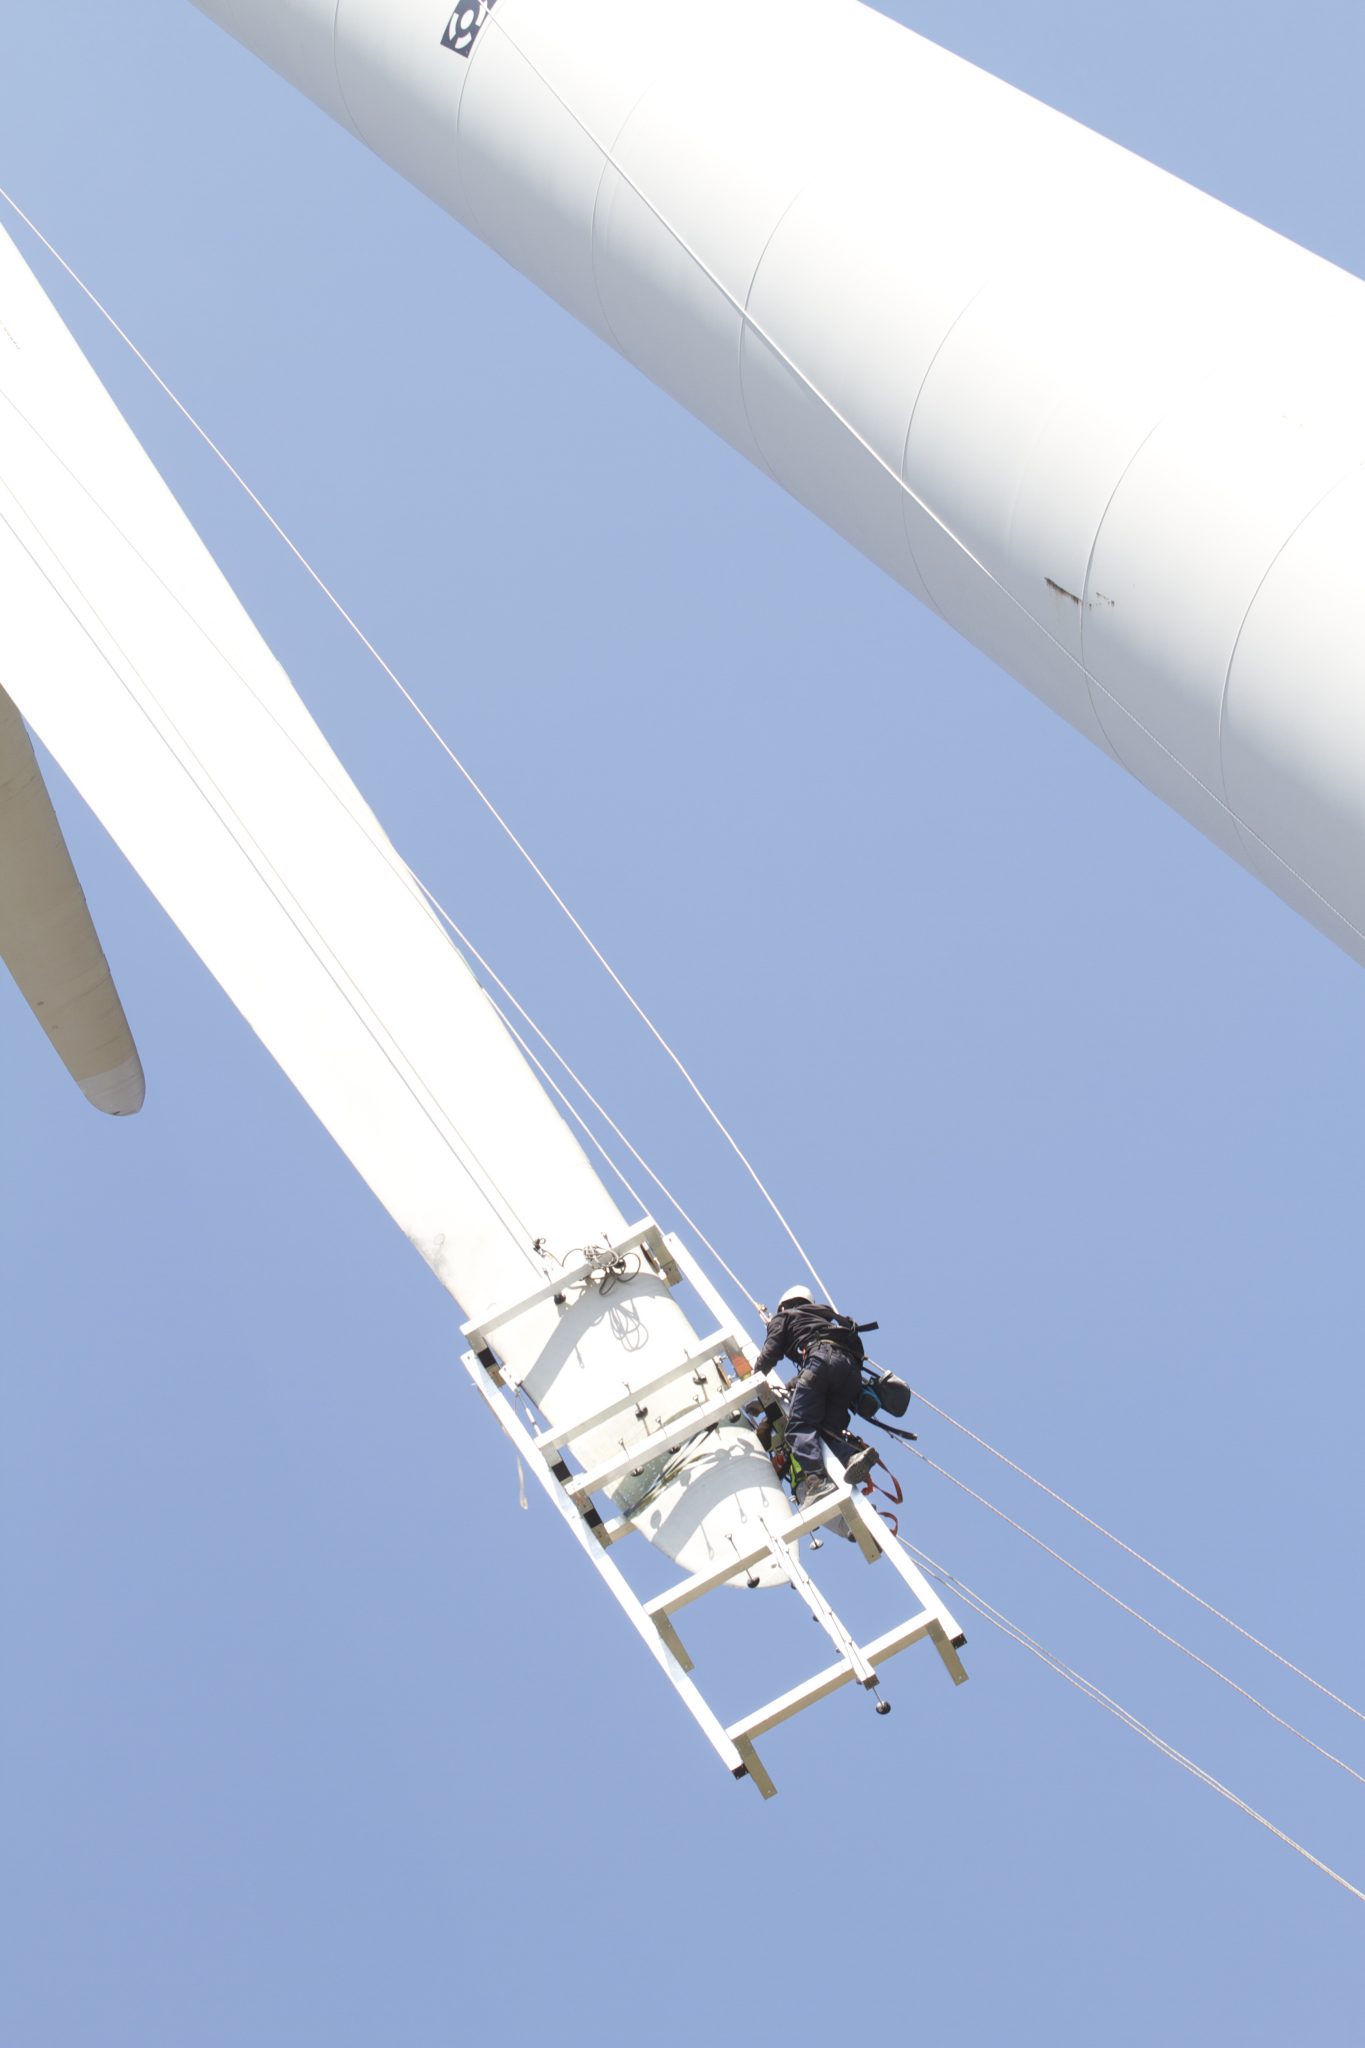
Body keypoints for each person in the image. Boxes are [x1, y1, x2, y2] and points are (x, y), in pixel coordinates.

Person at [753, 1285, 879, 1505]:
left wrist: (755, 1378)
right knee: (826, 1429)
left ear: (783, 1305)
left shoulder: (784, 1316)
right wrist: (794, 1385)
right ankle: (851, 1457)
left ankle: (817, 1482)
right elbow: (814, 1372)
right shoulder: (824, 1317)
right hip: (849, 1375)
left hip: (820, 1362)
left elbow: (771, 1351)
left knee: (799, 1426)